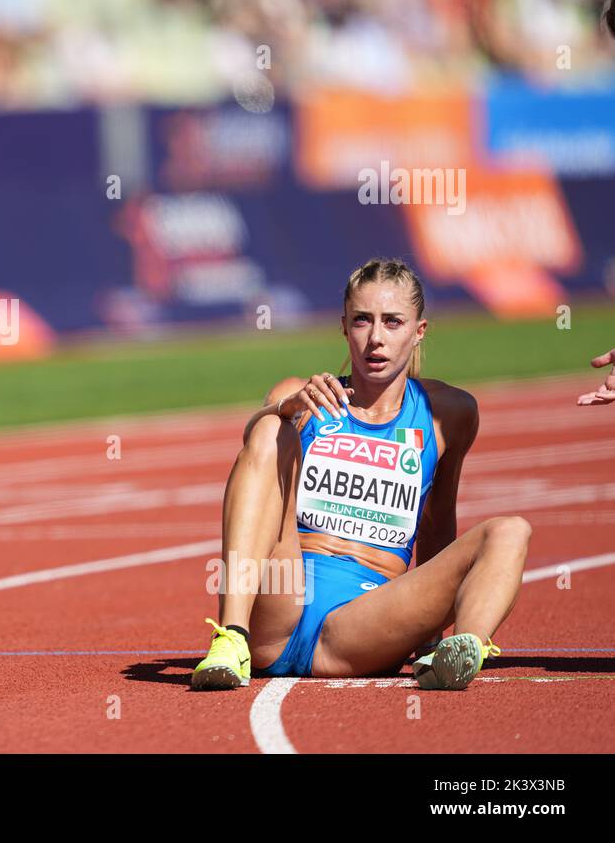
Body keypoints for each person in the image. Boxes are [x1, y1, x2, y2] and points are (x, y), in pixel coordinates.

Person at [192, 258, 530, 690]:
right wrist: (285, 409)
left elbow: (437, 522)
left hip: (366, 619)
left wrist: (426, 633)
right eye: (362, 321)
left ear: (418, 330)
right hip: (280, 600)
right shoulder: (301, 397)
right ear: (343, 326)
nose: (376, 339)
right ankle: (232, 639)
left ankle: (460, 650)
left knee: (511, 531)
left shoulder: (449, 413)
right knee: (269, 429)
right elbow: (252, 448)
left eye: (392, 322)